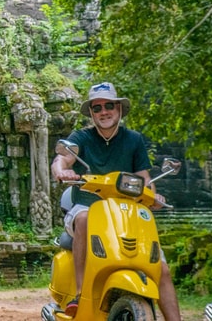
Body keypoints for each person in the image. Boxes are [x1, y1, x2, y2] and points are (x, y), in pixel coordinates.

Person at [51, 82, 181, 321]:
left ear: (119, 109)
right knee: (85, 218)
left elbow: (145, 179)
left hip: (126, 213)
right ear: (91, 113)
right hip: (87, 205)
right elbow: (63, 159)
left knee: (161, 268)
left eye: (109, 106)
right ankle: (79, 294)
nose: (104, 112)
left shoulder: (133, 139)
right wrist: (62, 170)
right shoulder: (81, 137)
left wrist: (153, 195)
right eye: (97, 108)